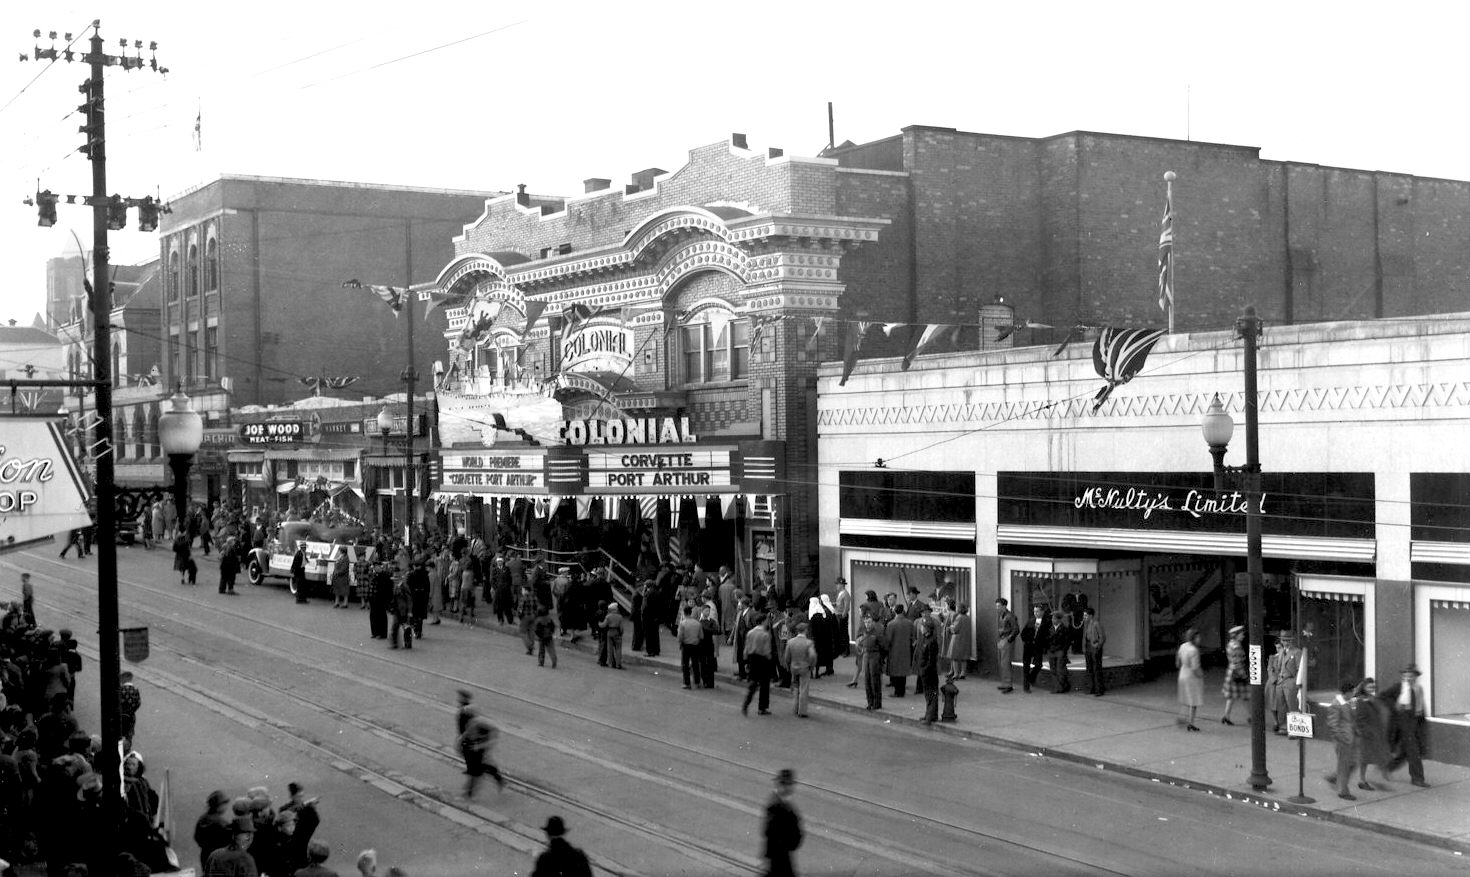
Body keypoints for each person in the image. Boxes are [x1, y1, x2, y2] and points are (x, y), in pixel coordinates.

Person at [1380, 663, 1430, 788]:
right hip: (1402, 724)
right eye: (1407, 675)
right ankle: (1417, 779)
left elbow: (1420, 707)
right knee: (1414, 752)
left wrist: (1422, 723)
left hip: (1415, 724)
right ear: (1403, 676)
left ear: (1416, 676)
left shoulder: (1418, 688)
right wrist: (1395, 704)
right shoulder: (1399, 687)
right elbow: (1382, 696)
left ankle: (1387, 767)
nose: (1409, 678)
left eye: (1412, 675)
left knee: (1405, 752)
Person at [762, 769, 803, 877]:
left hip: (778, 856)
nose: (788, 787)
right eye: (785, 784)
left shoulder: (779, 802)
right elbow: (769, 832)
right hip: (780, 856)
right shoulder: (777, 806)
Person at [1324, 678, 1360, 800]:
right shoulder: (1336, 704)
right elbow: (1333, 724)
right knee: (1345, 765)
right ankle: (1343, 791)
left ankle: (1335, 778)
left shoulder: (1350, 702)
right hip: (1343, 740)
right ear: (1347, 692)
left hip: (1351, 738)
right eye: (1352, 692)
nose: (1354, 694)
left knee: (1353, 763)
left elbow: (1353, 719)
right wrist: (1342, 738)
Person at [457, 706, 505, 797]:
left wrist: (480, 745)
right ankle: (497, 778)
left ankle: (470, 792)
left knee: (477, 769)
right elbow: (466, 733)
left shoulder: (481, 724)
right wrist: (461, 741)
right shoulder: (470, 723)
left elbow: (494, 736)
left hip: (479, 746)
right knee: (478, 767)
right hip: (473, 745)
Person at [784, 622, 817, 718]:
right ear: (805, 630)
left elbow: (786, 657)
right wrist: (812, 665)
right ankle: (802, 711)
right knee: (803, 689)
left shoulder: (791, 642)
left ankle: (794, 708)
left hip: (794, 667)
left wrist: (788, 664)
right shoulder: (808, 643)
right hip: (805, 668)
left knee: (795, 687)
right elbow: (812, 655)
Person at [743, 614, 774, 716]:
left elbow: (746, 648)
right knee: (764, 685)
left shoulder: (750, 633)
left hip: (752, 659)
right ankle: (762, 707)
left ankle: (747, 701)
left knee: (754, 682)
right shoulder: (765, 634)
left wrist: (746, 661)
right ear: (763, 621)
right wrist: (770, 658)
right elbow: (767, 651)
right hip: (763, 660)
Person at [1176, 627, 1204, 731]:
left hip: (1182, 674)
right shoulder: (1194, 650)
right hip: (1191, 678)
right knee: (1194, 701)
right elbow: (1195, 667)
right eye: (1198, 637)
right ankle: (1191, 723)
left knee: (1186, 698)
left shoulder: (1183, 646)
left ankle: (1182, 716)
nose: (1199, 639)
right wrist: (1200, 675)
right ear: (1193, 638)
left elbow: (1178, 660)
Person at [883, 608, 913, 698]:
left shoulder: (891, 624)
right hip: (906, 650)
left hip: (894, 651)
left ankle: (897, 692)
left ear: (895, 612)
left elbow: (888, 639)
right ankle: (902, 690)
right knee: (903, 672)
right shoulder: (909, 623)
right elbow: (912, 636)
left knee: (895, 671)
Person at [858, 616, 886, 711]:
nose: (867, 624)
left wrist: (880, 658)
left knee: (875, 680)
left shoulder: (877, 633)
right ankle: (870, 702)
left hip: (875, 656)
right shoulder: (864, 632)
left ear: (872, 622)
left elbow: (883, 646)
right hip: (866, 655)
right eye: (866, 622)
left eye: (869, 622)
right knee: (867, 680)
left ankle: (877, 703)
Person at [1220, 625, 1247, 723]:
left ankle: (1226, 716)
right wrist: (1243, 675)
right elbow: (1237, 662)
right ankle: (1251, 716)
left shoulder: (1231, 644)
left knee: (1232, 696)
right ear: (1237, 635)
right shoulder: (1237, 646)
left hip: (1231, 671)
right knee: (1246, 695)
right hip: (1237, 672)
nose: (1243, 635)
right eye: (1241, 634)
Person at [916, 617, 941, 724]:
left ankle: (930, 716)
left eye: (923, 627)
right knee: (928, 694)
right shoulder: (925, 639)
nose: (921, 628)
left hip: (929, 672)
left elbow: (931, 659)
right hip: (924, 670)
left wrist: (925, 669)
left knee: (931, 694)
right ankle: (929, 714)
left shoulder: (931, 641)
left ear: (927, 629)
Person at [994, 597, 1019, 693]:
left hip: (1006, 639)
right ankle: (1004, 683)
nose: (997, 608)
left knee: (1005, 663)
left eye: (999, 606)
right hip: (1002, 639)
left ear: (1004, 606)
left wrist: (1009, 639)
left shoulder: (1010, 616)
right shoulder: (1002, 615)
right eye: (996, 606)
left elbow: (1016, 629)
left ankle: (1008, 684)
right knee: (1002, 662)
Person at [1081, 606, 1106, 696]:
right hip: (1088, 647)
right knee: (1089, 668)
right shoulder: (1086, 624)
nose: (1084, 617)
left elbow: (1102, 637)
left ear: (1091, 615)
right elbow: (1084, 637)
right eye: (1084, 616)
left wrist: (1097, 646)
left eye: (1086, 615)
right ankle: (1090, 688)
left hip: (1094, 647)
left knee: (1096, 668)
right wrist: (1084, 648)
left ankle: (1099, 690)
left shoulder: (1096, 624)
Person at [677, 605, 703, 690]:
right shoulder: (697, 623)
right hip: (695, 645)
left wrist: (680, 643)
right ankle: (697, 682)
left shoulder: (683, 623)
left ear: (684, 613)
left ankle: (687, 683)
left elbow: (680, 637)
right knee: (695, 664)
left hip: (686, 645)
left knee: (685, 664)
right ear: (691, 613)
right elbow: (701, 636)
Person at [945, 602, 972, 680]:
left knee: (954, 657)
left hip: (957, 639)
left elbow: (955, 628)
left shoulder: (959, 617)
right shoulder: (967, 618)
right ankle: (963, 672)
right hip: (965, 638)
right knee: (964, 657)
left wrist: (950, 627)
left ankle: (956, 673)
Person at [600, 601, 625, 669]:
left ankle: (610, 663)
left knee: (610, 649)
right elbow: (621, 628)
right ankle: (618, 664)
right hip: (617, 632)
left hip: (610, 632)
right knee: (618, 649)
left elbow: (603, 625)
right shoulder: (620, 617)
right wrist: (621, 633)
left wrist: (598, 624)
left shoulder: (608, 616)